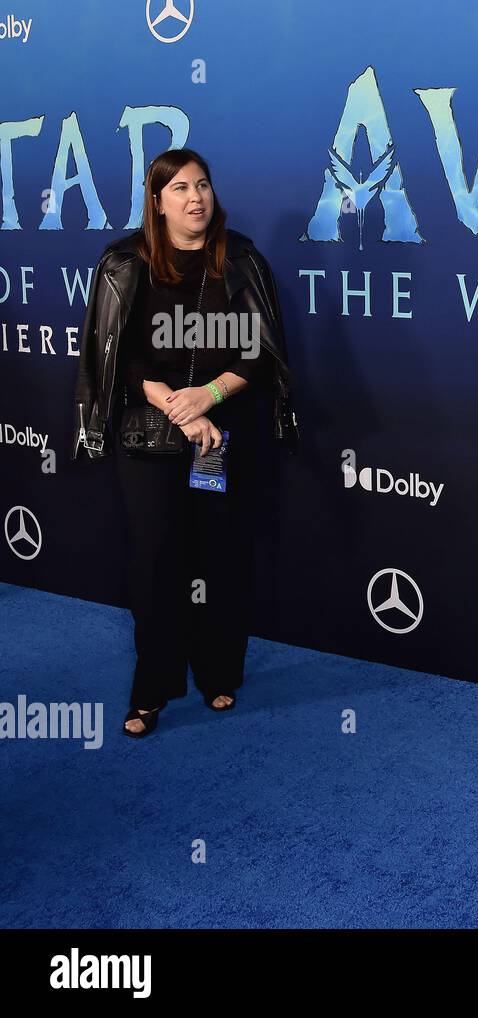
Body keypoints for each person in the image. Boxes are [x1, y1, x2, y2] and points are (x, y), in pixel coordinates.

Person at [71, 147, 300, 738]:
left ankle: (220, 673)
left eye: (202, 185)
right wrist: (176, 403)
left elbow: (261, 353)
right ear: (157, 201)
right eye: (179, 189)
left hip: (217, 435)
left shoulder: (242, 258)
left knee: (221, 558)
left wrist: (210, 399)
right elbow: (110, 356)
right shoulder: (123, 262)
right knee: (155, 564)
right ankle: (151, 690)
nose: (195, 198)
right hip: (149, 437)